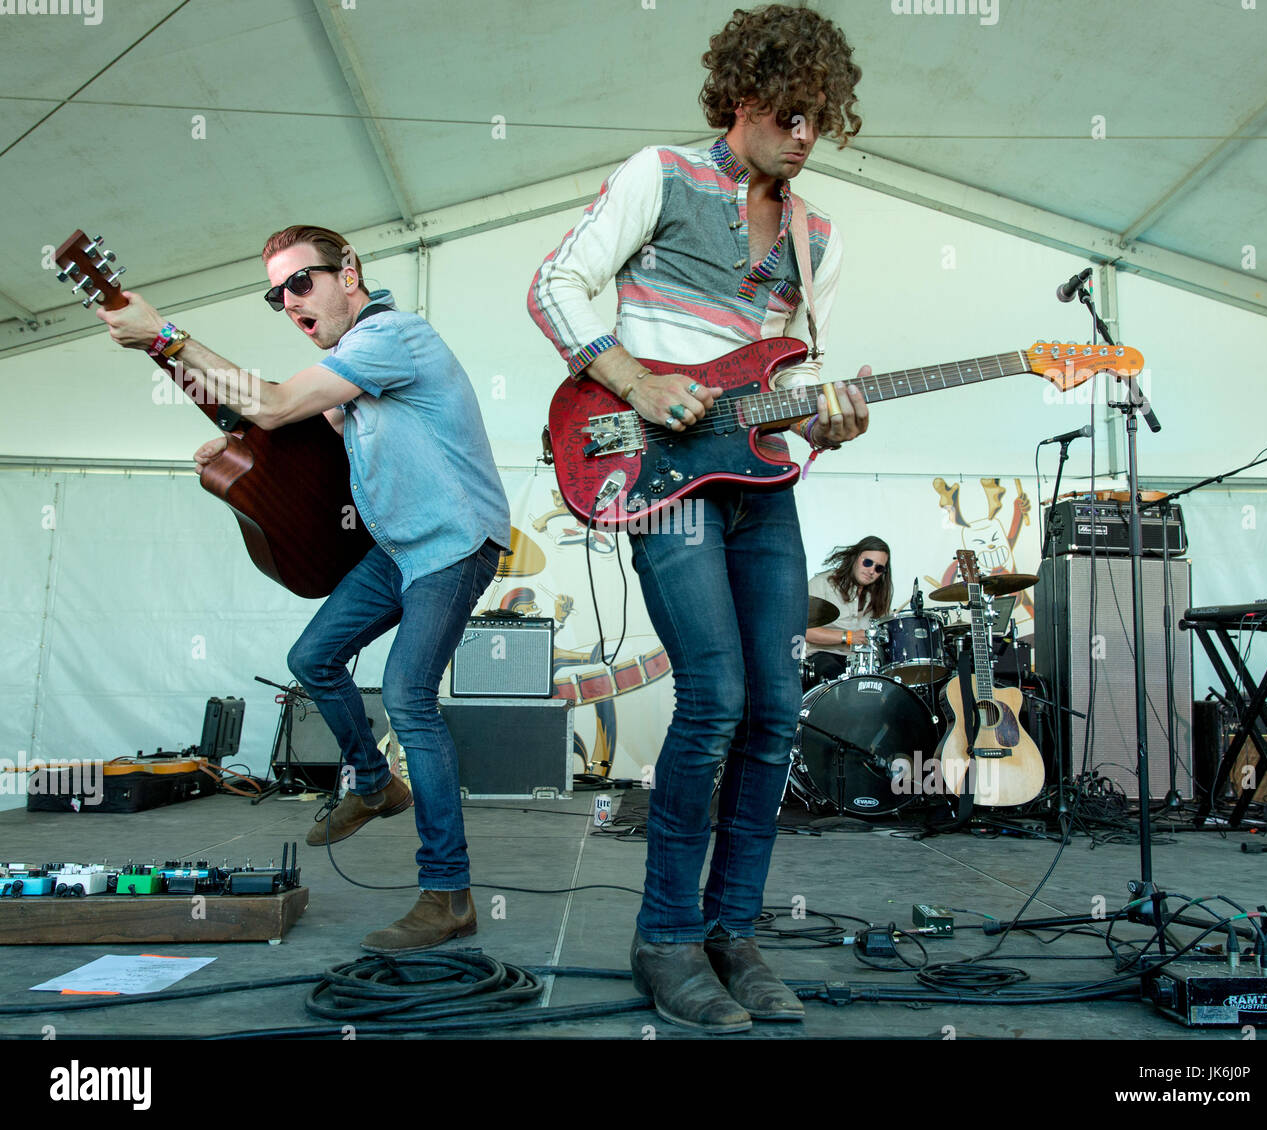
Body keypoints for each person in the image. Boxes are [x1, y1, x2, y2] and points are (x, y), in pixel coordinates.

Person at [529, 4, 867, 1033]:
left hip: (758, 488)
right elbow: (557, 283)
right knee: (714, 697)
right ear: (742, 96)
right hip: (654, 471)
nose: (806, 132)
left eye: (823, 117)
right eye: (790, 111)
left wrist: (831, 420)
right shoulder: (661, 174)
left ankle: (736, 932)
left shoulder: (819, 239)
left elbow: (782, 388)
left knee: (774, 708)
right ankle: (666, 936)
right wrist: (631, 377)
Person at [98, 225, 511, 953]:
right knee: (312, 658)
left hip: (453, 542)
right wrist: (236, 449)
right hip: (397, 548)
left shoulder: (394, 336)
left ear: (348, 271)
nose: (290, 302)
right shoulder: (351, 371)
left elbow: (277, 402)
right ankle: (375, 783)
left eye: (302, 282)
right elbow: (278, 425)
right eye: (276, 293)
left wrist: (163, 334)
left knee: (409, 695)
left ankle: (448, 897)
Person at [804, 536, 893, 683]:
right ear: (855, 557)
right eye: (868, 562)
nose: (871, 571)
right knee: (834, 674)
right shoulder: (822, 584)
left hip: (863, 662)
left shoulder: (879, 598)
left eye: (878, 568)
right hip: (824, 655)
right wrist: (850, 636)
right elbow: (806, 631)